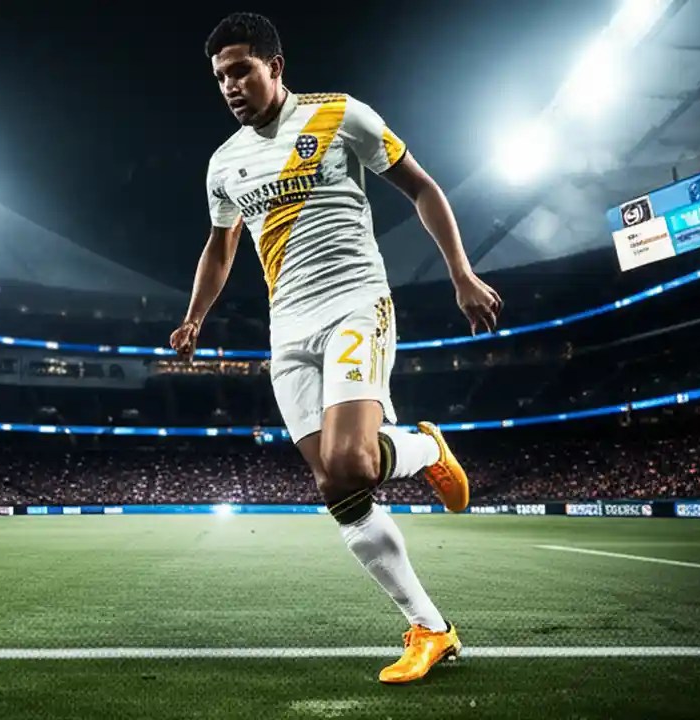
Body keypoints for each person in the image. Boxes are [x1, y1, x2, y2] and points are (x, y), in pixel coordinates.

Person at [169, 12, 503, 684]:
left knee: (352, 459)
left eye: (241, 70)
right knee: (336, 486)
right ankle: (432, 630)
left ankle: (426, 450)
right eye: (220, 77)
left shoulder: (340, 115)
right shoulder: (225, 163)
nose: (231, 86)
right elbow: (221, 243)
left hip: (356, 304)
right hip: (286, 332)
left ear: (275, 66)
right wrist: (194, 317)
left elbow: (422, 188)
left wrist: (462, 274)